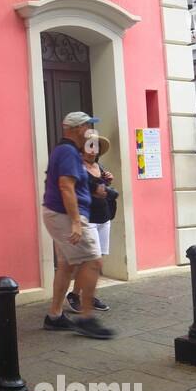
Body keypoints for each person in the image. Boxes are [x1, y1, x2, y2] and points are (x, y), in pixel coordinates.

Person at [42, 112, 116, 339]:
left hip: (58, 214)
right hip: (66, 215)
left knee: (65, 265)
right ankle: (86, 318)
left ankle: (54, 317)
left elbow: (71, 184)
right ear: (75, 129)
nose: (89, 130)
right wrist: (76, 222)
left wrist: (97, 189)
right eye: (87, 126)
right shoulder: (68, 152)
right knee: (93, 261)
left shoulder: (65, 152)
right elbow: (65, 187)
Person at [67, 131, 118, 314]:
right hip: (87, 219)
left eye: (95, 147)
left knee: (98, 259)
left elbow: (104, 190)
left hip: (104, 217)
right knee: (91, 261)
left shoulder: (99, 166)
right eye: (89, 146)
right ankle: (74, 294)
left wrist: (107, 181)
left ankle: (88, 294)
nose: (92, 150)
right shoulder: (77, 168)